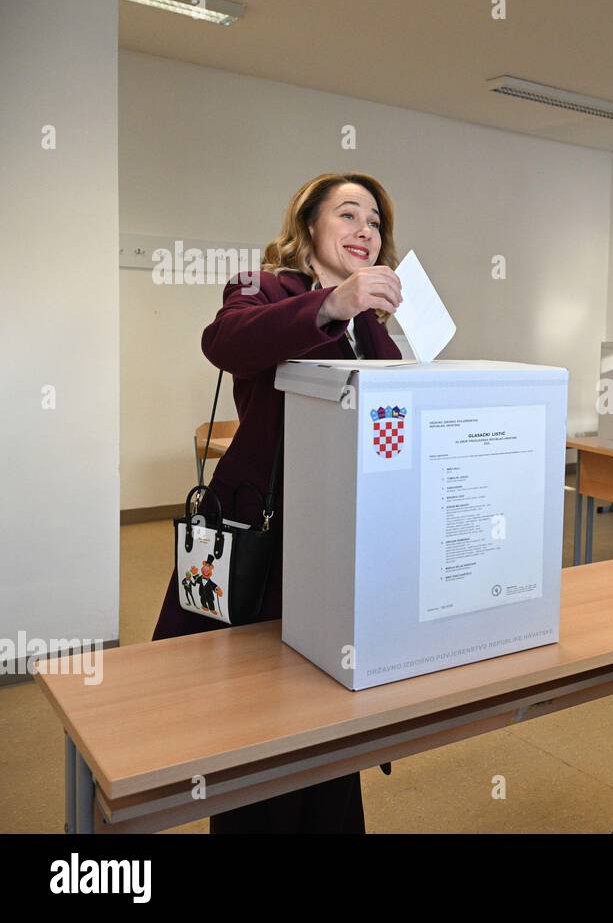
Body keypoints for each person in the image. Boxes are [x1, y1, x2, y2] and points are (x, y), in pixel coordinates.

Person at [152, 172, 407, 833]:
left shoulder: (371, 324)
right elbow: (225, 343)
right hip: (261, 532)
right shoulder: (259, 285)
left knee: (328, 711)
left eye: (375, 222)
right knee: (255, 716)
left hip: (337, 533)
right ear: (309, 226)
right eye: (348, 214)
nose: (365, 231)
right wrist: (329, 306)